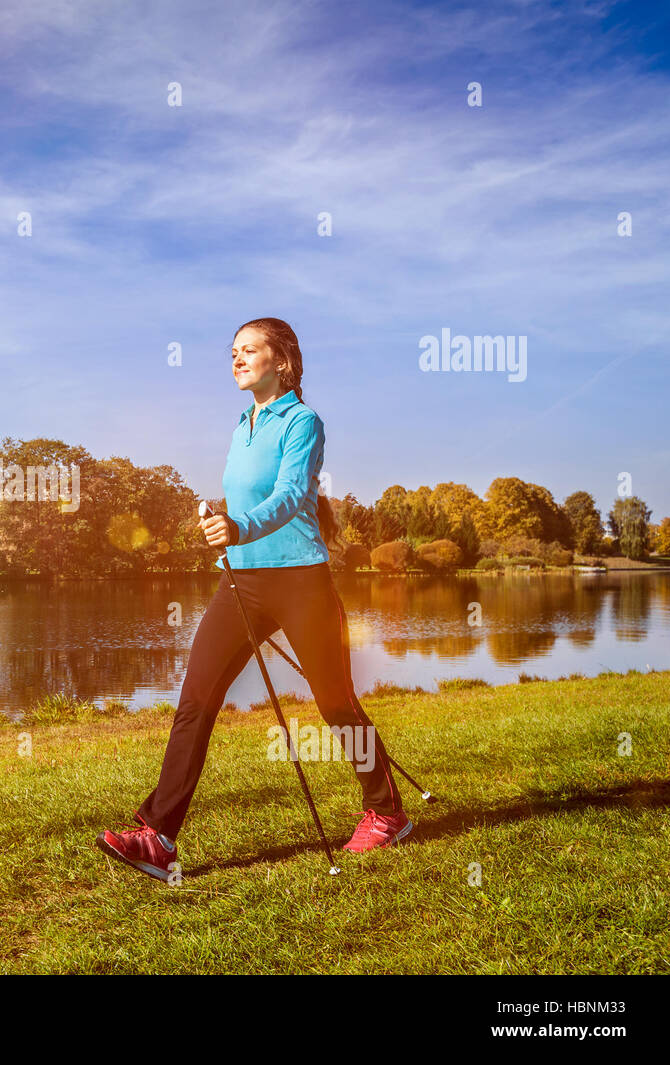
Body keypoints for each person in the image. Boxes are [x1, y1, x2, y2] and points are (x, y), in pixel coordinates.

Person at [97, 317, 411, 881]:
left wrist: (239, 526)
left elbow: (293, 495)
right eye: (233, 352)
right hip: (240, 580)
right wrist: (221, 524)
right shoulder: (242, 423)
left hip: (301, 581)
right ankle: (158, 836)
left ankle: (386, 813)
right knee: (196, 699)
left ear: (282, 361)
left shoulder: (303, 422)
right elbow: (242, 502)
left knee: (336, 704)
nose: (237, 359)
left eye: (250, 350)